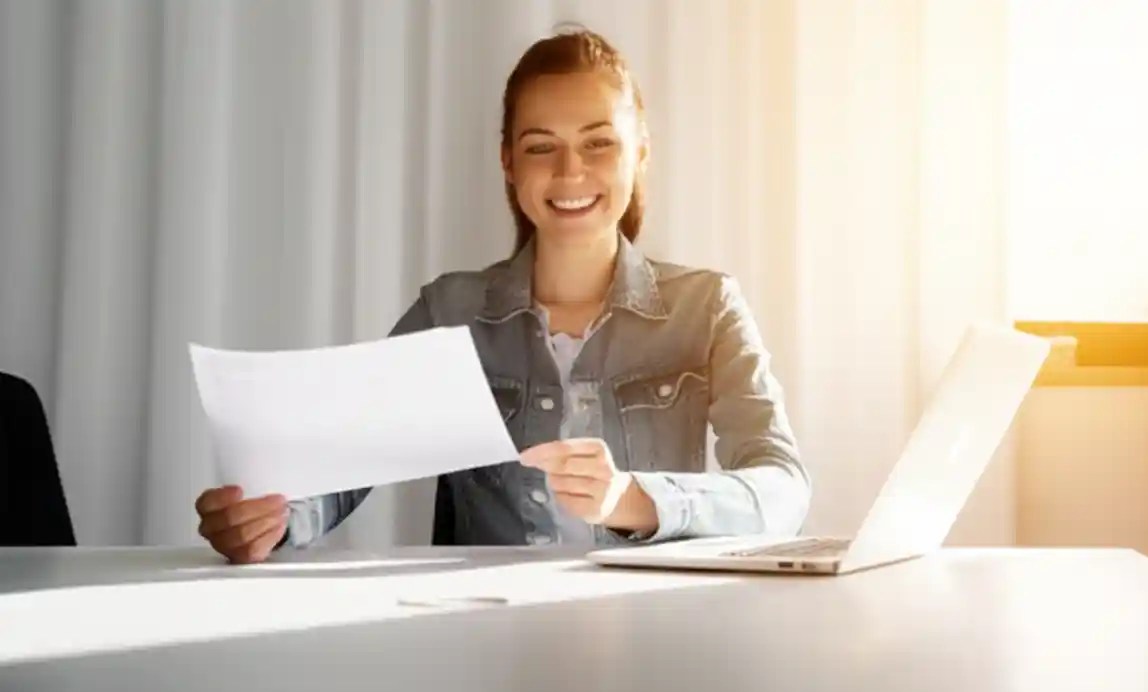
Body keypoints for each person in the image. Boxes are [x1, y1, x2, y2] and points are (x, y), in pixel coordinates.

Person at [194, 27, 810, 564]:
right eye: (541, 146)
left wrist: (635, 498)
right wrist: (274, 520)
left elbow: (783, 490)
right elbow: (343, 470)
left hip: (652, 631)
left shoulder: (707, 307)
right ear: (509, 163)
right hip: (481, 635)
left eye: (599, 142)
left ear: (640, 153)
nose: (570, 172)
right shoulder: (450, 312)